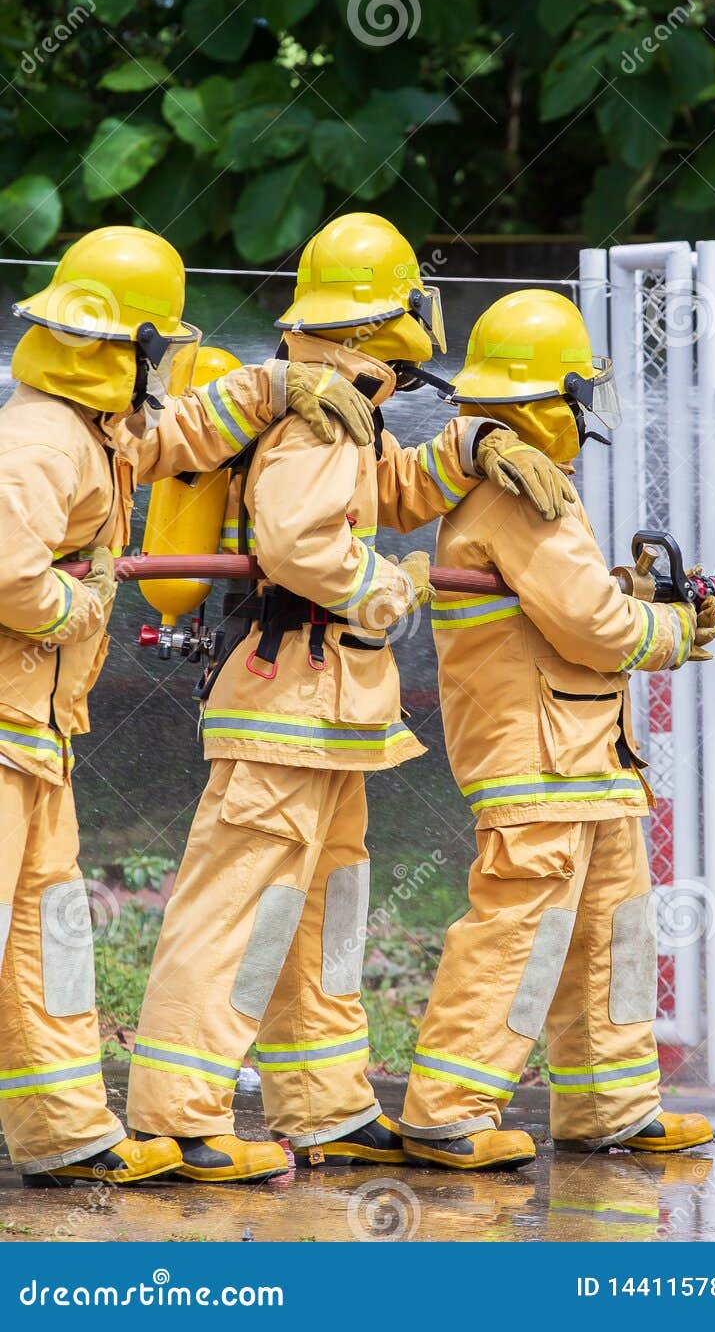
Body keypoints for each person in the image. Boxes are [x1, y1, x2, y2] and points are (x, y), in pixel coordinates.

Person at [126, 214, 569, 1183]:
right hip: (288, 709)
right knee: (235, 911)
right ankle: (177, 1116)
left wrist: (467, 451)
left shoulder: (341, 408)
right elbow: (296, 543)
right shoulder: (316, 416)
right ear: (384, 320)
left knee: (323, 915)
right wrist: (385, 590)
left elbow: (373, 496)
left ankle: (322, 1104)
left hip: (322, 716)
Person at [0, 226, 366, 1188]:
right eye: (157, 352)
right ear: (124, 348)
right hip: (5, 732)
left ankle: (68, 1132)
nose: (160, 373)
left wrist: (273, 389)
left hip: (34, 738)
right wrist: (76, 604)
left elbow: (175, 436)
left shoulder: (92, 431)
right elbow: (4, 569)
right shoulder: (41, 441)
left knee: (52, 940)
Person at [400, 289, 715, 1170]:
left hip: (585, 757)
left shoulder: (526, 492)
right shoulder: (518, 497)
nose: (587, 416)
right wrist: (670, 630)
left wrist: (643, 600)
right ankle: (447, 1111)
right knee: (520, 933)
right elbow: (592, 627)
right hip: (537, 759)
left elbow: (573, 605)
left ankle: (610, 1106)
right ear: (549, 404)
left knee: (613, 934)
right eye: (578, 397)